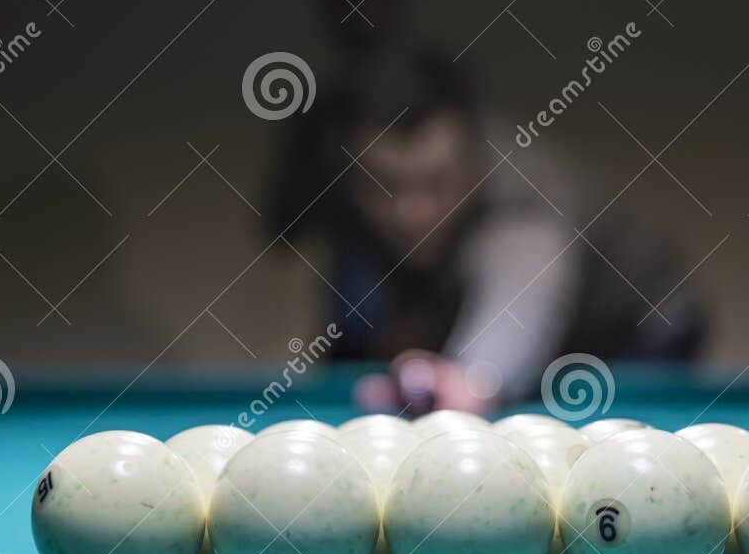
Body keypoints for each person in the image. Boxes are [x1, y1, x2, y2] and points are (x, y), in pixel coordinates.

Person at [267, 48, 708, 413]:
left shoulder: (525, 203)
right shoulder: (336, 173)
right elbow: (278, 231)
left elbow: (518, 299)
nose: (412, 213)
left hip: (637, 325)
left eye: (438, 183)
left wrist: (472, 380)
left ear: (475, 162)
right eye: (385, 187)